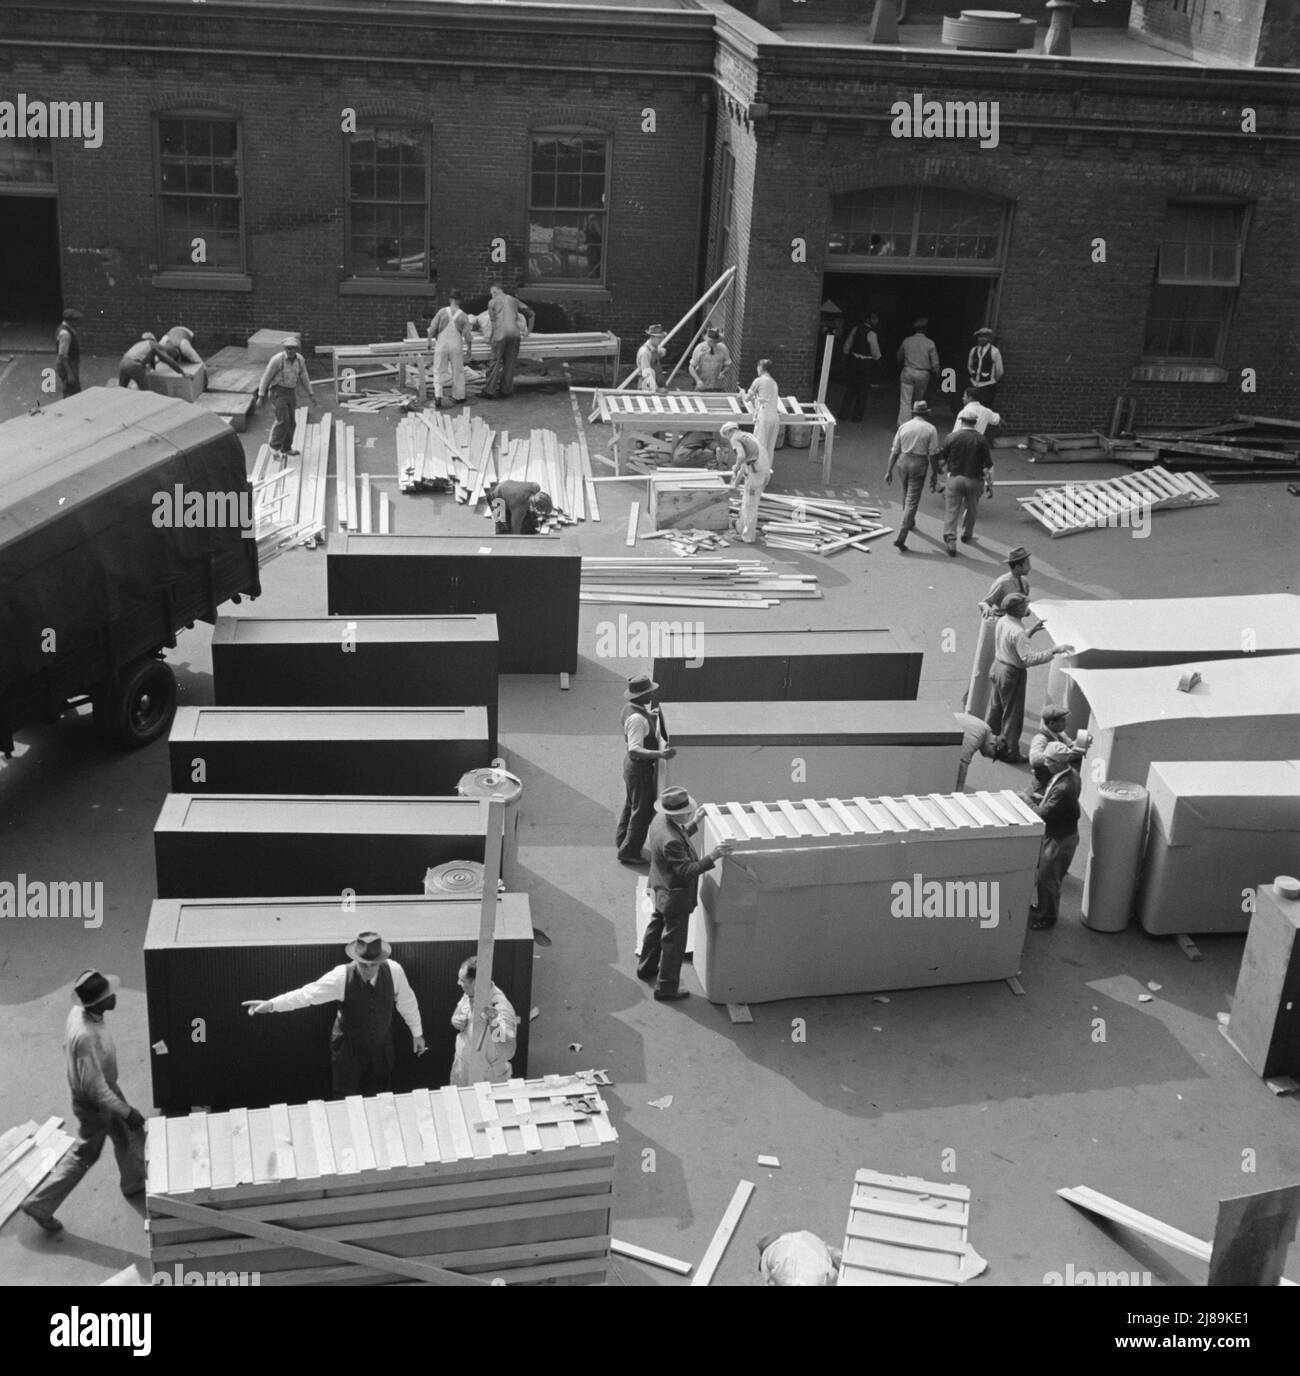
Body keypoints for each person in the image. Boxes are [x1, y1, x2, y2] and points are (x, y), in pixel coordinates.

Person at [20, 970, 146, 1234]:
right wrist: (127, 1111)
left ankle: (133, 1183)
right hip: (95, 1103)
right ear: (97, 1003)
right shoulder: (87, 1036)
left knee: (125, 1134)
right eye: (110, 995)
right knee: (86, 1154)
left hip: (102, 1091)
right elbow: (96, 1090)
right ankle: (40, 1204)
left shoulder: (80, 1013)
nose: (115, 996)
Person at [243, 931, 427, 1097]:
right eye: (363, 965)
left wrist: (417, 1034)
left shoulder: (394, 971)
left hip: (381, 1043)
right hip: (348, 1046)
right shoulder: (341, 976)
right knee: (344, 1093)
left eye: (372, 965)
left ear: (380, 961)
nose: (367, 970)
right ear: (356, 960)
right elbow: (308, 994)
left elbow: (407, 1002)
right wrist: (272, 1004)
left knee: (381, 1091)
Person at [638, 786, 734, 1002]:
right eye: (687, 812)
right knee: (674, 943)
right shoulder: (671, 838)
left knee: (656, 926)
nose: (690, 813)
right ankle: (666, 988)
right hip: (674, 896)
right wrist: (713, 856)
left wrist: (695, 823)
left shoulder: (660, 821)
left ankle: (645, 967)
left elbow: (674, 844)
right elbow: (685, 870)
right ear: (676, 814)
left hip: (658, 887)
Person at [985, 594, 1074, 763]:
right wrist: (1053, 651)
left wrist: (1030, 632)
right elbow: (1028, 659)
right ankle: (1010, 752)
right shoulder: (1018, 632)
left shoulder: (1004, 621)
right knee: (1012, 714)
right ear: (1018, 608)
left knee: (996, 707)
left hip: (997, 667)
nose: (1028, 608)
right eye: (1025, 605)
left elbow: (1011, 642)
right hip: (1011, 673)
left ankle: (989, 739)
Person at [616, 673, 674, 866]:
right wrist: (660, 755)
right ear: (641, 696)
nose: (652, 695)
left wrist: (651, 716)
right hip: (638, 768)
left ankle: (622, 840)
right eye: (649, 692)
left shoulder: (631, 710)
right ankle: (629, 852)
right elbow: (635, 748)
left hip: (632, 767)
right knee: (642, 811)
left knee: (631, 805)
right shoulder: (637, 719)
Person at [1028, 742, 1081, 931]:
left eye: (1048, 761)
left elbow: (1043, 814)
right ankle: (1044, 908)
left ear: (1058, 763)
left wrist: (1027, 801)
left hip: (1059, 839)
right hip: (1062, 834)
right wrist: (1038, 799)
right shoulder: (1071, 776)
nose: (1046, 764)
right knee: (1046, 876)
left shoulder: (1063, 787)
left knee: (1047, 879)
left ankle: (1047, 917)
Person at [449, 956, 519, 1087]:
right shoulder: (470, 993)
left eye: (462, 980)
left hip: (487, 1078)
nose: (458, 983)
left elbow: (508, 1049)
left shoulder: (501, 1007)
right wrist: (455, 1019)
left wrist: (493, 1023)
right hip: (462, 1070)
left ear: (476, 983)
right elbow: (459, 1009)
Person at [937, 405, 994, 555]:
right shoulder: (981, 440)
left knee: (952, 509)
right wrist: (990, 485)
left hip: (955, 479)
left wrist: (938, 471)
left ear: (961, 420)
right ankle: (967, 534)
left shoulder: (951, 437)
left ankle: (950, 540)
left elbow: (941, 462)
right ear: (975, 422)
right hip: (975, 480)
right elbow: (988, 466)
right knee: (972, 508)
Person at [885, 399, 940, 551]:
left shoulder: (904, 426)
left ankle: (910, 521)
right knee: (912, 500)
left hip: (902, 461)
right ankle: (902, 535)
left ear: (914, 412)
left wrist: (889, 470)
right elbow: (933, 453)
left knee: (905, 492)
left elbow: (895, 450)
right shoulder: (930, 429)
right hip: (919, 463)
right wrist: (935, 473)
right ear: (926, 413)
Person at [256, 336, 314, 459]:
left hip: (291, 392)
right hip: (278, 392)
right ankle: (274, 447)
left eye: (293, 348)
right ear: (285, 349)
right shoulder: (277, 360)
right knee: (283, 420)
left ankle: (286, 448)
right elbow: (266, 377)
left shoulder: (300, 360)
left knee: (292, 422)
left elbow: (304, 377)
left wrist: (311, 394)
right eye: (288, 348)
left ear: (297, 349)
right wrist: (261, 396)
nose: (290, 351)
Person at [482, 282, 534, 399]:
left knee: (495, 363)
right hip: (515, 335)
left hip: (500, 334)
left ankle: (489, 391)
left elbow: (494, 324)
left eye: (491, 293)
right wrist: (528, 331)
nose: (491, 296)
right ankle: (506, 391)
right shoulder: (514, 300)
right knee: (509, 363)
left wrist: (490, 339)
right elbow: (531, 313)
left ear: (495, 291)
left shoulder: (492, 302)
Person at [722, 420, 770, 544]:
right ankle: (742, 528)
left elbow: (742, 457)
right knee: (749, 502)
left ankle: (748, 537)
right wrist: (735, 483)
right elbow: (746, 463)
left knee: (750, 506)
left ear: (728, 432)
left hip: (755, 475)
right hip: (763, 472)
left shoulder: (735, 438)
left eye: (726, 436)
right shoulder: (748, 436)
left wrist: (736, 466)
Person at [427, 289, 474, 408]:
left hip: (441, 345)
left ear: (450, 299)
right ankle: (459, 396)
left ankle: (438, 396)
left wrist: (429, 343)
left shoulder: (441, 312)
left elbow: (432, 329)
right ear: (460, 301)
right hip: (456, 346)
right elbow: (468, 336)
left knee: (438, 370)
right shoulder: (463, 316)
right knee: (458, 371)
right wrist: (469, 349)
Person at [1030, 704, 1091, 790]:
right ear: (1051, 723)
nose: (1065, 723)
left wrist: (1081, 742)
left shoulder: (1061, 734)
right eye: (1062, 720)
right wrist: (1056, 755)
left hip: (1057, 778)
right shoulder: (1040, 738)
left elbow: (1070, 746)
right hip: (1044, 782)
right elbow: (1034, 759)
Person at [756, 1230, 842, 1286]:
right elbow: (835, 1255)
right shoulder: (804, 1235)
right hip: (828, 1277)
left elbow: (770, 1282)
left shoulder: (768, 1253)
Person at [895, 317, 940, 425]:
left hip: (908, 371)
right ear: (925, 329)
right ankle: (916, 424)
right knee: (918, 399)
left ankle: (903, 424)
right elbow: (935, 363)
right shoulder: (930, 343)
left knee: (905, 400)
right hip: (923, 374)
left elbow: (898, 357)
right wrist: (937, 373)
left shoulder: (907, 341)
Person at [839, 313, 881, 422]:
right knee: (863, 391)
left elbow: (848, 343)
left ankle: (843, 414)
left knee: (850, 388)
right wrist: (879, 361)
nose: (876, 321)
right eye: (874, 318)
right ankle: (857, 416)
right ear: (869, 319)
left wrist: (845, 354)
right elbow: (875, 351)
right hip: (866, 363)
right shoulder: (872, 334)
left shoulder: (856, 329)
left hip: (854, 361)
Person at [746, 357, 781, 473]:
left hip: (764, 417)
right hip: (775, 419)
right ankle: (766, 473)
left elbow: (747, 398)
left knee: (759, 446)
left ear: (760, 368)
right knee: (770, 448)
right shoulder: (774, 383)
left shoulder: (759, 381)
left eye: (757, 367)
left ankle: (757, 474)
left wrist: (742, 395)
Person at [118, 331, 184, 390]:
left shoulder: (139, 344)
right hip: (134, 365)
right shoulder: (153, 344)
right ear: (154, 339)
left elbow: (149, 359)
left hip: (122, 363)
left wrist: (150, 368)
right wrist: (182, 372)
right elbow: (167, 359)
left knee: (121, 389)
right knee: (146, 391)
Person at [954, 710, 1001, 791]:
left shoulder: (985, 727)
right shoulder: (976, 738)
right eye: (990, 755)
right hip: (944, 728)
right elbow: (962, 763)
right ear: (992, 744)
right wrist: (959, 791)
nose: (987, 756)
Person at [487, 479, 553, 534]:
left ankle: (529, 530)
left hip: (505, 487)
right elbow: (515, 533)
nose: (540, 513)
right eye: (541, 511)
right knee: (503, 528)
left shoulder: (536, 486)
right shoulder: (520, 510)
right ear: (536, 507)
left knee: (530, 518)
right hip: (496, 498)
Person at [967, 326, 1003, 410]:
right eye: (980, 337)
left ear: (988, 338)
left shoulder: (994, 351)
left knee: (984, 410)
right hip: (974, 385)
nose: (981, 339)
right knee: (972, 409)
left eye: (984, 337)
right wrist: (973, 374)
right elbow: (969, 366)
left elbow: (1000, 371)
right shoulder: (973, 350)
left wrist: (991, 381)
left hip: (987, 387)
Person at [688, 326, 731, 392]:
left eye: (715, 341)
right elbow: (691, 367)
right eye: (711, 341)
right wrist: (698, 380)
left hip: (717, 386)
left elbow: (728, 365)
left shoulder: (723, 348)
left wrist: (723, 372)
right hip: (702, 385)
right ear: (707, 340)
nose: (713, 343)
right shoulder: (700, 348)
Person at [55, 308, 83, 398]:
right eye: (76, 320)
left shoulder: (64, 328)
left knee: (71, 389)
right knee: (72, 392)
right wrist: (70, 373)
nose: (78, 322)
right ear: (70, 321)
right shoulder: (66, 334)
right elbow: (63, 356)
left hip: (70, 363)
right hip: (68, 365)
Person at [636, 324, 667, 392]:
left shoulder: (654, 348)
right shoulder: (645, 352)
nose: (661, 340)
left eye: (662, 337)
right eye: (659, 338)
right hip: (648, 386)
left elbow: (661, 352)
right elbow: (646, 374)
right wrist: (657, 389)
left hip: (657, 381)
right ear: (652, 337)